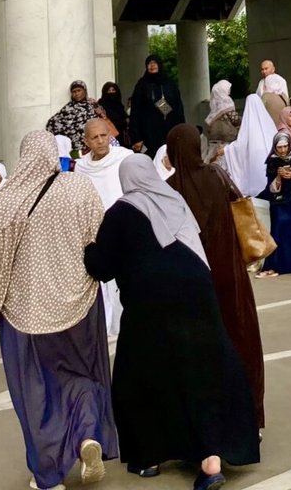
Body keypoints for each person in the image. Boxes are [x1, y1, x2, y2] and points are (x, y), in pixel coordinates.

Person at [83, 155, 260, 487]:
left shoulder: (120, 212)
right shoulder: (174, 199)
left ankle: (148, 457)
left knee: (139, 374)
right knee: (202, 370)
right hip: (197, 291)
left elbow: (101, 267)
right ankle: (210, 460)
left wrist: (87, 248)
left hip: (150, 302)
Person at [0, 131, 115, 490]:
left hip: (25, 312)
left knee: (35, 391)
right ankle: (86, 437)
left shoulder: (4, 201)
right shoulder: (78, 188)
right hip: (79, 304)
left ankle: (49, 477)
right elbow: (98, 240)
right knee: (83, 376)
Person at [165, 123, 265, 428]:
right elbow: (240, 206)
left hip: (192, 280)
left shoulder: (170, 189)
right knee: (240, 338)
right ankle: (250, 416)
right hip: (230, 273)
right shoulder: (217, 175)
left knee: (200, 349)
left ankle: (209, 422)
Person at [75, 118, 129, 336]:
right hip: (95, 235)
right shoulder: (81, 167)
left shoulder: (125, 158)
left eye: (103, 135)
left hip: (124, 231)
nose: (100, 141)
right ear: (86, 140)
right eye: (94, 137)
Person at [256, 134, 291, 277]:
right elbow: (271, 188)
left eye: (285, 147)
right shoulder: (272, 162)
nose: (282, 150)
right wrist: (279, 178)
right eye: (279, 147)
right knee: (280, 221)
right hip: (280, 200)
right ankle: (276, 265)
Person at [128, 58, 185, 156]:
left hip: (168, 129)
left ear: (160, 65)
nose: (152, 65)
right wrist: (136, 137)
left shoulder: (169, 84)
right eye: (149, 63)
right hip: (148, 132)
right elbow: (135, 111)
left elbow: (178, 108)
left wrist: (180, 131)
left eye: (155, 63)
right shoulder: (142, 85)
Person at [46, 80, 98, 147]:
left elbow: (101, 120)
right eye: (74, 92)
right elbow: (52, 122)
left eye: (79, 90)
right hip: (74, 148)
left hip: (93, 143)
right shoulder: (68, 108)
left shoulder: (92, 104)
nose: (77, 94)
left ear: (85, 91)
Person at [205, 80, 240, 145]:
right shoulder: (227, 101)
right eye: (228, 88)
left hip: (214, 136)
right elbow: (234, 119)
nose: (229, 91)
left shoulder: (214, 102)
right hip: (228, 136)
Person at [95, 81, 130, 145]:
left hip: (121, 135)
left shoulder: (119, 105)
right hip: (108, 135)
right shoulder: (101, 105)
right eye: (109, 90)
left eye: (113, 90)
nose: (111, 92)